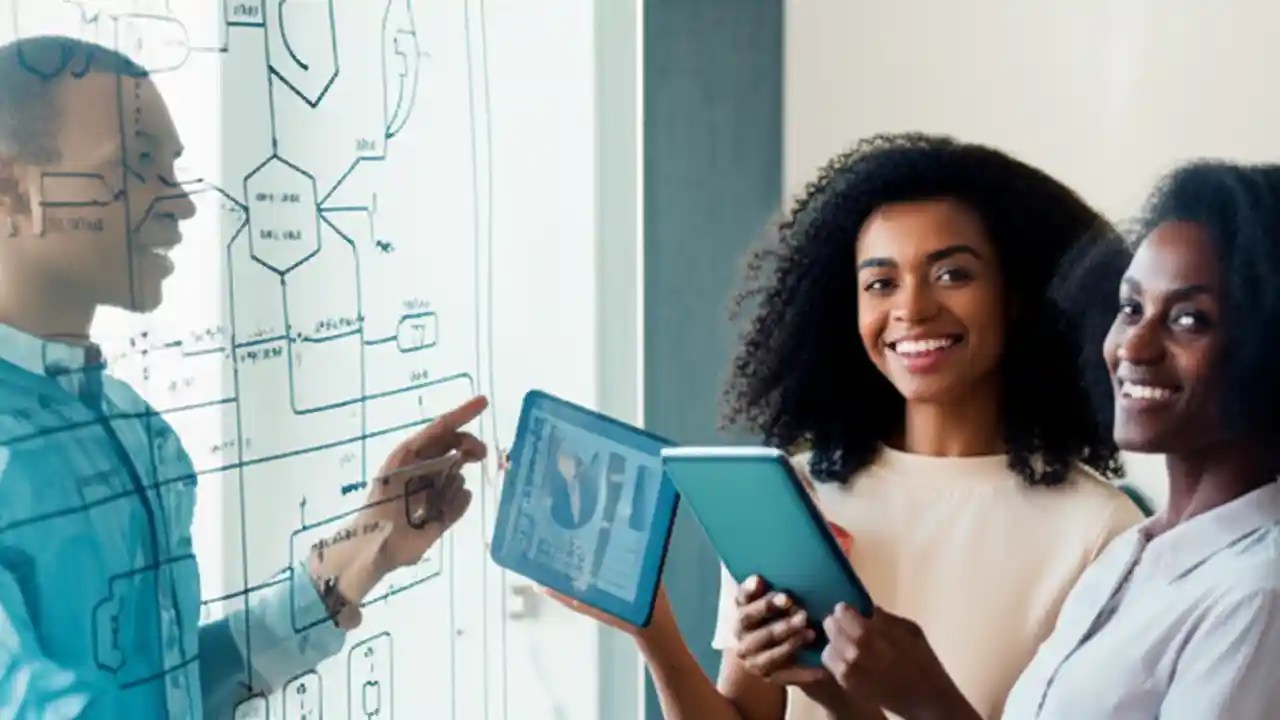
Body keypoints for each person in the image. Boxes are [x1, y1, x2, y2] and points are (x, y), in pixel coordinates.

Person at [549, 133, 1145, 720]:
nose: (911, 309)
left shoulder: (1099, 533)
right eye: (881, 283)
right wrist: (653, 630)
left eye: (951, 275)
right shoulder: (795, 496)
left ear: (1015, 296)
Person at [0, 35, 488, 717]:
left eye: (171, 170)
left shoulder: (137, 430)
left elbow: (172, 693)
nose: (181, 204)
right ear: (13, 194)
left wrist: (358, 552)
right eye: (137, 167)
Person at [820, 160, 1280, 719]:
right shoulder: (1130, 558)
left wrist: (929, 701)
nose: (1133, 346)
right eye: (1131, 308)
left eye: (1188, 319)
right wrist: (840, 692)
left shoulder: (1257, 594)